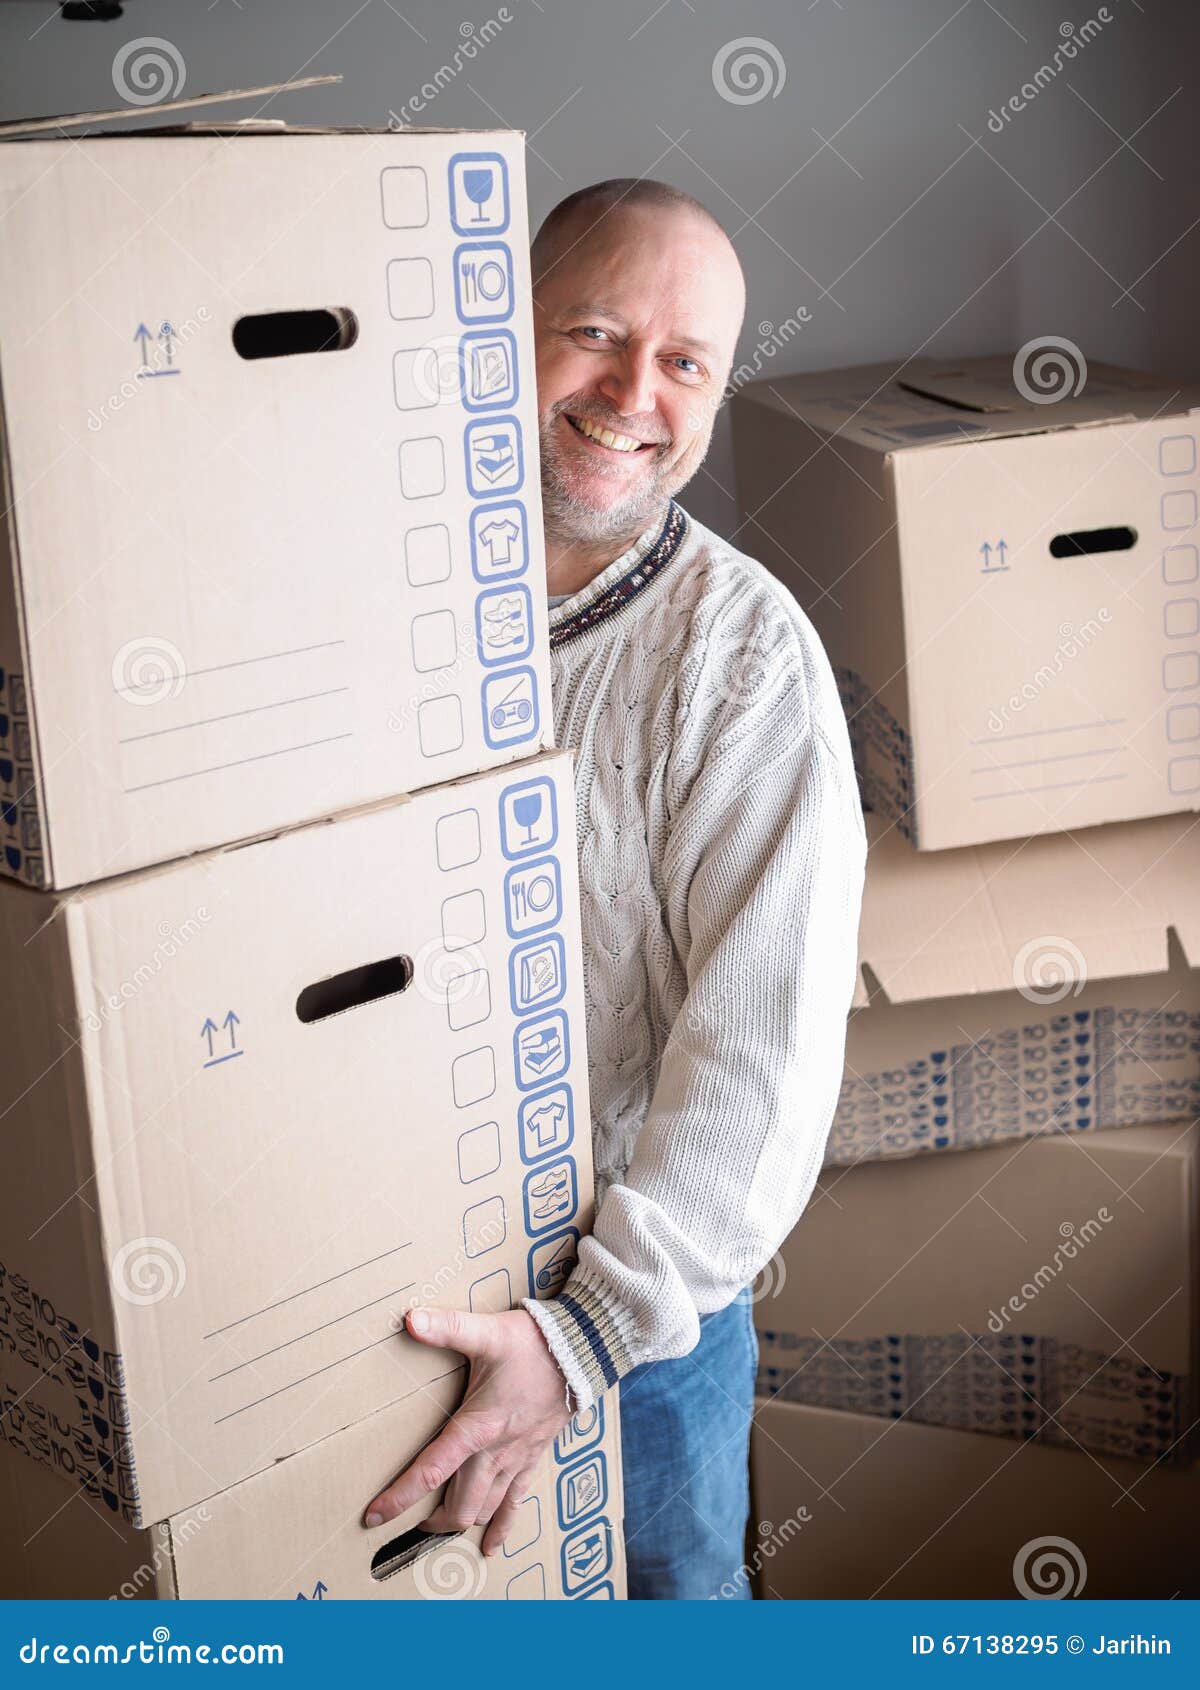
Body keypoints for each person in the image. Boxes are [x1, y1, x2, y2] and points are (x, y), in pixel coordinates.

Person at [364, 179, 866, 1599]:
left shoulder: (747, 664)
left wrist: (579, 1341)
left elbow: (758, 1070)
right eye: (591, 330)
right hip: (382, 1288)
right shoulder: (354, 604)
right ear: (490, 332)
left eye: (685, 361)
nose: (634, 390)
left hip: (637, 1330)